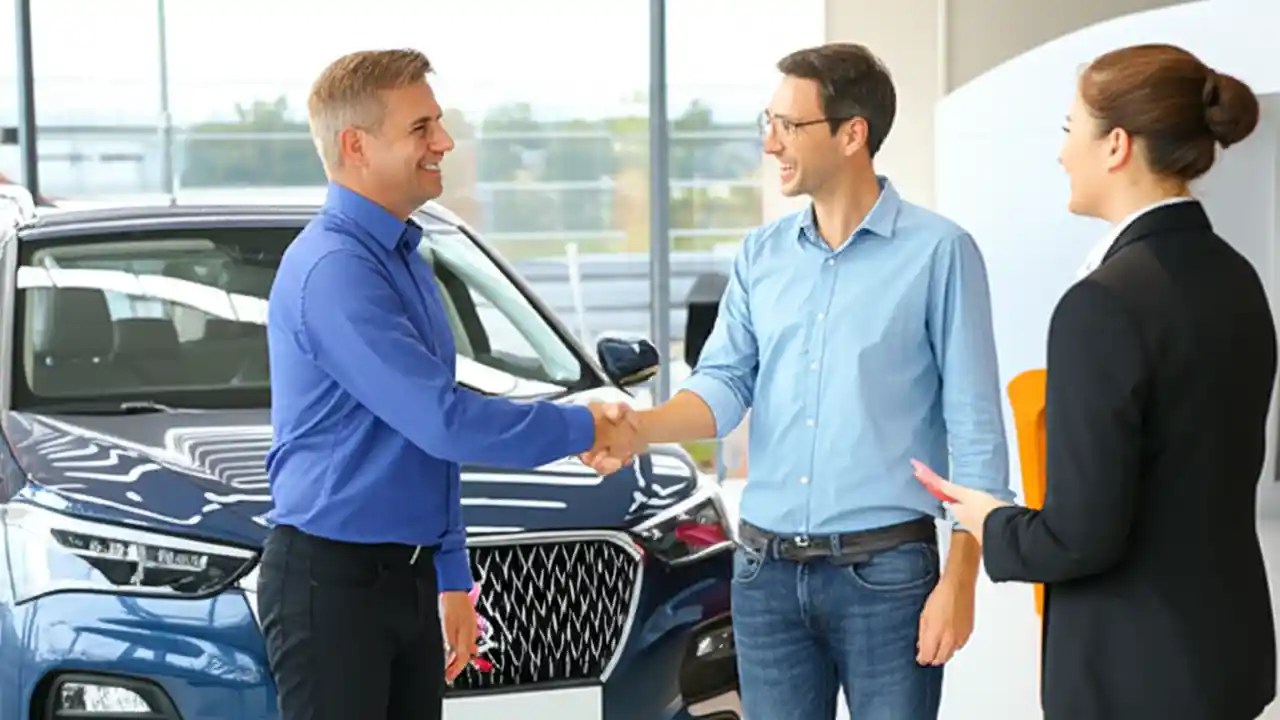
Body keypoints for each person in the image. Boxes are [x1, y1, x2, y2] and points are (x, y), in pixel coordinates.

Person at [586, 42, 1012, 719]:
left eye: (789, 124)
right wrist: (640, 430)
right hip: (764, 577)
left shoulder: (939, 254)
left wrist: (961, 578)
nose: (770, 142)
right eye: (769, 120)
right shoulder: (762, 254)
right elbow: (724, 384)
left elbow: (979, 436)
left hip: (887, 577)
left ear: (852, 134)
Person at [257, 49, 639, 720]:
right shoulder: (336, 271)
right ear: (355, 145)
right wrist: (588, 424)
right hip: (333, 587)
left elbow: (426, 445)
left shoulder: (406, 256)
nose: (444, 142)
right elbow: (445, 420)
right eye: (420, 128)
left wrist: (451, 573)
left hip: (402, 578)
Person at [912, 43, 1277, 720]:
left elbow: (1081, 535)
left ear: (1116, 145)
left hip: (1134, 676)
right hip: (1227, 658)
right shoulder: (1237, 278)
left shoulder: (1103, 304)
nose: (1061, 154)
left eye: (1069, 129)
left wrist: (989, 520)